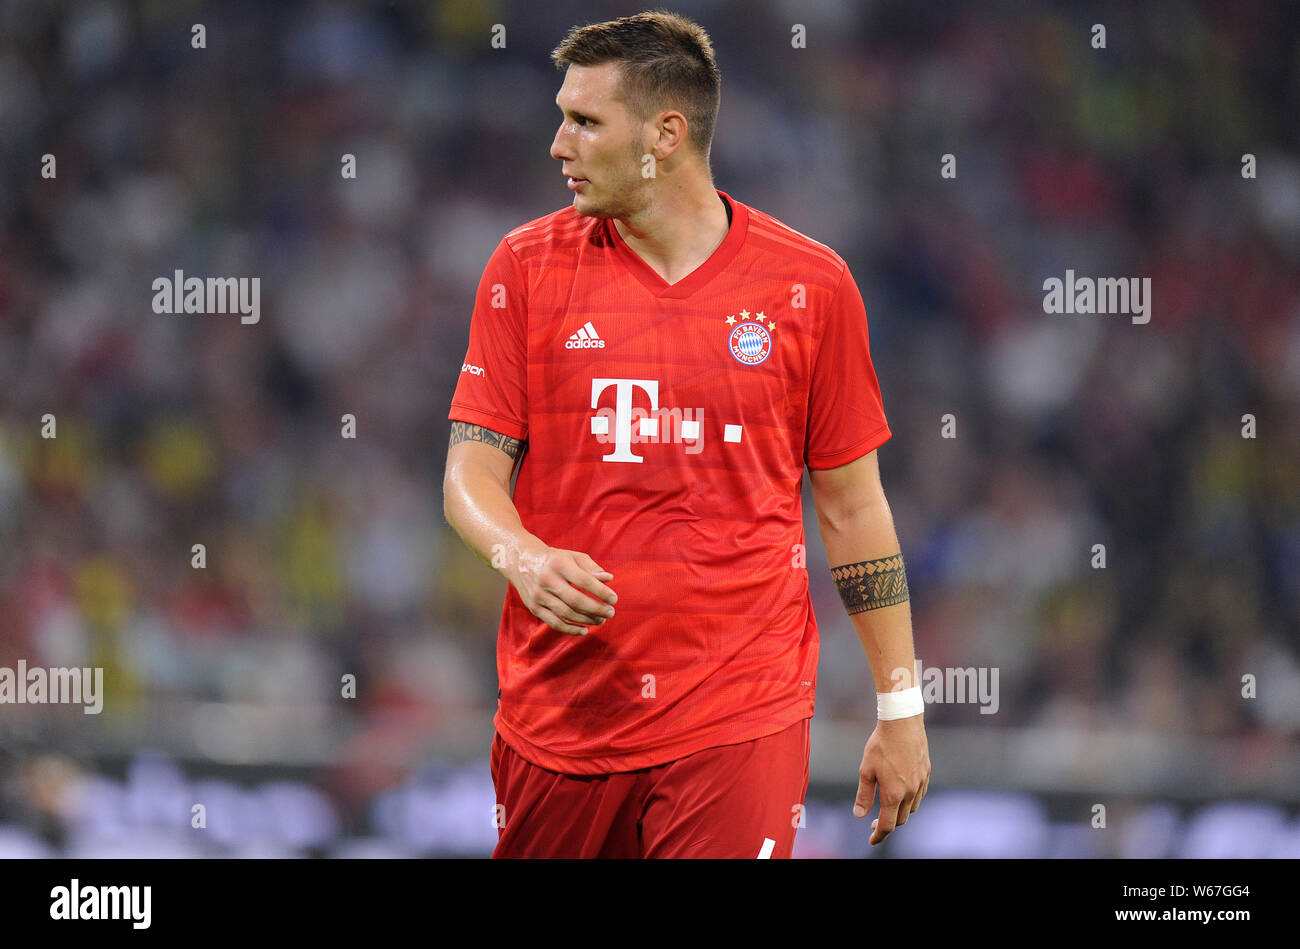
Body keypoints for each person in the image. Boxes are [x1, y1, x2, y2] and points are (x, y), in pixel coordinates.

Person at [444, 10, 929, 858]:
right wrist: (523, 556)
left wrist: (900, 709)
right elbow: (468, 477)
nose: (558, 145)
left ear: (665, 135)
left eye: (584, 121)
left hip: (739, 712)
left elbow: (854, 510)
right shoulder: (524, 268)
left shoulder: (810, 289)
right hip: (559, 718)